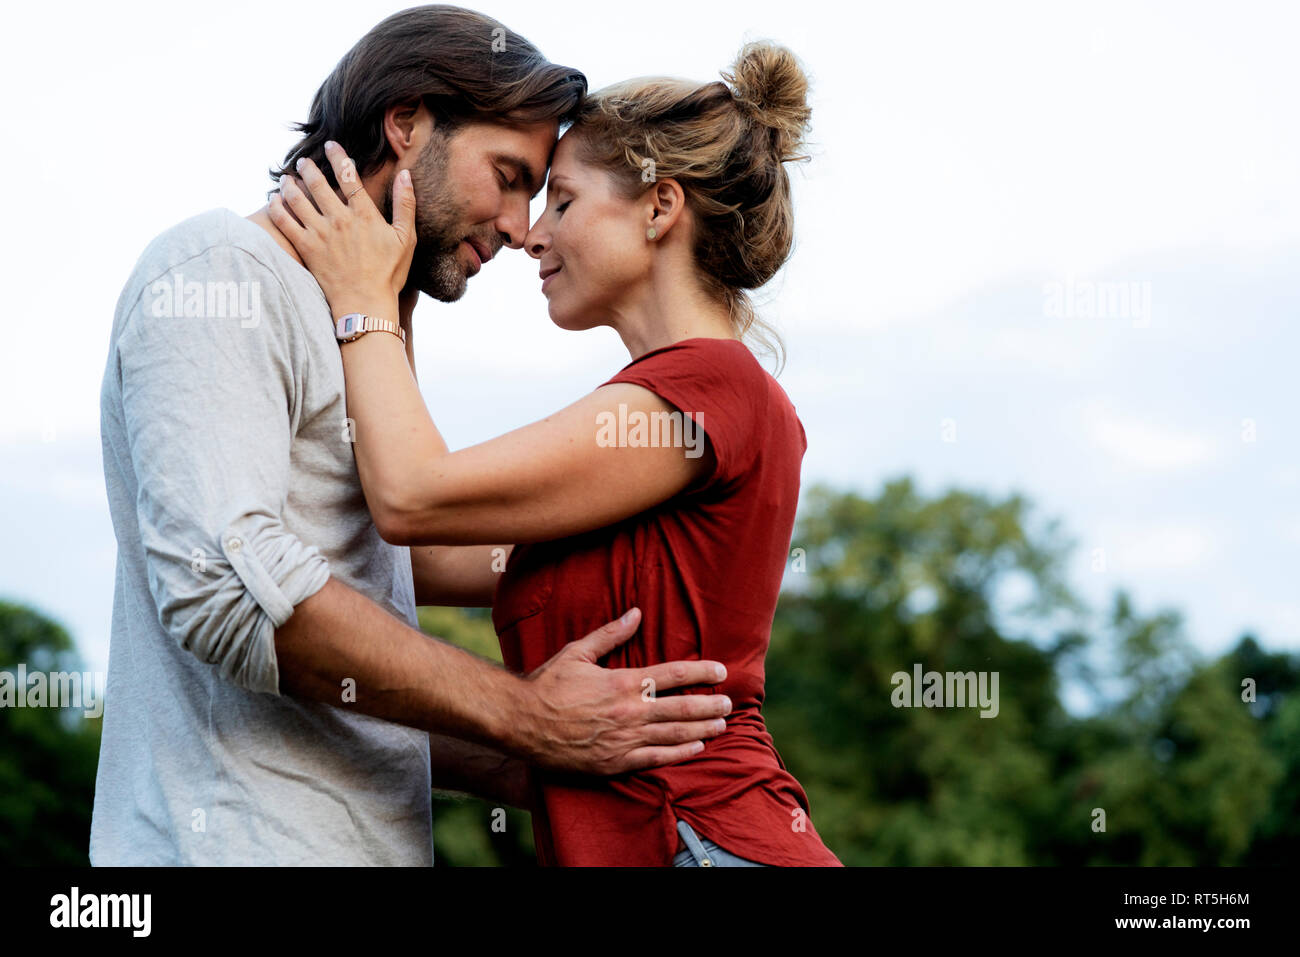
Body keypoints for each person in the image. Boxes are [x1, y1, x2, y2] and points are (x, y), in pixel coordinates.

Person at [92, 4, 731, 867]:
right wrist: (527, 713)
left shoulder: (367, 326)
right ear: (407, 122)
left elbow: (371, 616)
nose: (517, 227)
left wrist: (562, 745)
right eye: (507, 175)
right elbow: (229, 592)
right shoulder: (220, 273)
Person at [270, 39, 842, 866]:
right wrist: (399, 279)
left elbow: (411, 494)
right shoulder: (662, 422)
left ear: (659, 207)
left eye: (564, 202)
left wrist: (366, 302)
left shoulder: (706, 389)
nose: (531, 237)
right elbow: (418, 554)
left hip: (702, 839)